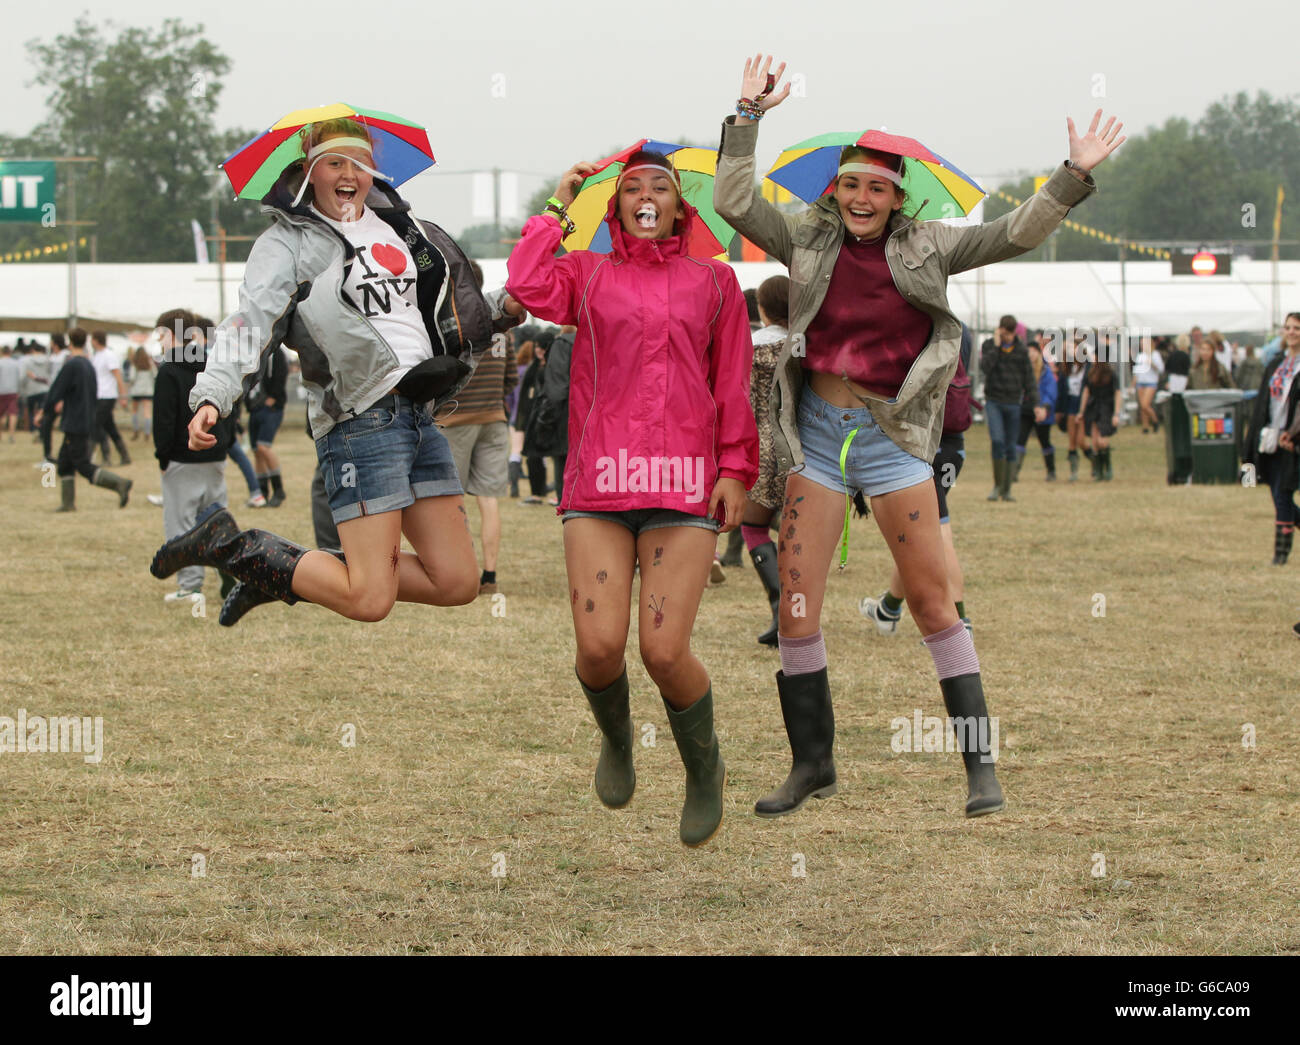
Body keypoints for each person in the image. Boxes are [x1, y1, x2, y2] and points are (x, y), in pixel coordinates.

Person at [714, 52, 1123, 819]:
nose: (862, 197)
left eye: (877, 186)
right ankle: (812, 765)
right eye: (850, 184)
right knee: (798, 606)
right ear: (833, 190)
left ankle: (980, 767)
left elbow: (1013, 232)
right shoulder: (807, 240)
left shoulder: (930, 245)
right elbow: (733, 197)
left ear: (898, 195)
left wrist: (1072, 174)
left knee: (935, 602)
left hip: (892, 437)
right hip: (816, 438)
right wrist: (748, 118)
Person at [150, 116, 521, 626]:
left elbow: (451, 307)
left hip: (420, 415)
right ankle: (236, 546)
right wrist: (212, 393)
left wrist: (504, 306)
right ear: (307, 170)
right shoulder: (288, 245)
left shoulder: (408, 229)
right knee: (370, 599)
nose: (351, 172)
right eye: (335, 162)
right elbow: (250, 323)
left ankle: (283, 571)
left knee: (457, 581)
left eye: (362, 161)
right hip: (359, 420)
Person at [504, 147, 758, 847]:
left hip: (684, 485)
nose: (646, 195)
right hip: (600, 481)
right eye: (632, 188)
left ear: (681, 206)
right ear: (615, 206)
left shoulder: (715, 281)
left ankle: (704, 769)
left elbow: (733, 379)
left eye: (661, 187)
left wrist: (735, 467)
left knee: (665, 652)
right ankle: (617, 741)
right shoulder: (585, 275)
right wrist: (559, 203)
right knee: (598, 647)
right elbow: (525, 282)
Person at [860, 322, 976, 636]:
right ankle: (889, 608)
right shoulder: (957, 327)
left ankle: (959, 621)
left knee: (938, 533)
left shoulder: (908, 327)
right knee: (916, 533)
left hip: (922, 443)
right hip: (952, 445)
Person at [439, 259, 519, 595]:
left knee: (449, 501)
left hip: (456, 420)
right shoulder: (501, 329)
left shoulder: (453, 324)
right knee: (488, 500)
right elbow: (511, 379)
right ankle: (490, 575)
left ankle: (460, 572)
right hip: (493, 419)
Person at [152, 309, 237, 603]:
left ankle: (190, 587)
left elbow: (164, 418)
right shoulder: (214, 363)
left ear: (174, 334)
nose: (160, 342)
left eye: (161, 335)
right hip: (215, 455)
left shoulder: (169, 368)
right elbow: (229, 403)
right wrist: (227, 442)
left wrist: (162, 457)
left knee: (181, 524)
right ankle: (230, 572)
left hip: (181, 457)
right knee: (215, 520)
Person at [740, 274, 791, 647]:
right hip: (804, 449)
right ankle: (799, 609)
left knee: (752, 526)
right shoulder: (807, 347)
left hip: (761, 447)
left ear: (762, 309)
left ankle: (779, 607)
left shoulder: (749, 347)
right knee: (795, 531)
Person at [35, 334, 133, 510]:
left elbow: (56, 390)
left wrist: (43, 411)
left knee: (82, 464)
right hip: (85, 418)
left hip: (75, 421)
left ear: (70, 343)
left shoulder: (72, 365)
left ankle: (119, 483)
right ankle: (67, 504)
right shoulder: (88, 364)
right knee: (65, 463)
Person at [1244, 312, 1300, 565]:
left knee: (1283, 493)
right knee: (1276, 492)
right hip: (1271, 437)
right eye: (1288, 327)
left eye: (1296, 328)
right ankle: (1281, 551)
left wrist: (1295, 434)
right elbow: (1263, 403)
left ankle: (1280, 556)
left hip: (1293, 439)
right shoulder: (1276, 363)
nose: (1291, 332)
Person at [981, 314, 1039, 501]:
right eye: (1002, 334)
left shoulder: (1021, 350)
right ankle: (997, 486)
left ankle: (1007, 490)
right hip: (994, 401)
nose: (1005, 338)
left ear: (1014, 333)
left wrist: (1036, 404)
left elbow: (1029, 379)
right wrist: (997, 347)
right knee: (997, 441)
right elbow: (985, 367)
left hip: (1014, 402)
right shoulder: (990, 346)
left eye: (1007, 335)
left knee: (1011, 446)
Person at [247, 342, 288, 506]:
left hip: (270, 408)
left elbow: (281, 374)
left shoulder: (276, 353)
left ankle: (279, 490)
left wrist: (274, 398)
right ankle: (262, 491)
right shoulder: (249, 354)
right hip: (254, 408)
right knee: (257, 451)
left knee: (264, 446)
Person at [89, 330, 131, 465]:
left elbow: (118, 376)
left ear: (96, 340)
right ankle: (124, 456)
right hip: (99, 395)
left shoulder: (109, 355)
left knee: (96, 425)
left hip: (108, 396)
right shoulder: (96, 356)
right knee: (109, 427)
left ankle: (96, 456)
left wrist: (123, 395)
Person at [1056, 333, 1091, 481]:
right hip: (1070, 404)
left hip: (1083, 404)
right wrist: (1058, 410)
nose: (1071, 351)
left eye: (1073, 347)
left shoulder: (1088, 367)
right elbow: (1061, 390)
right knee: (1071, 440)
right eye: (1069, 348)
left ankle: (1097, 463)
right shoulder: (1065, 368)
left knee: (1081, 441)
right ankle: (1073, 472)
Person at [1079, 359, 1119, 480]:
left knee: (1102, 441)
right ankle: (1098, 471)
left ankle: (1108, 467)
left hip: (1107, 408)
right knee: (1095, 441)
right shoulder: (1090, 373)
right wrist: (1081, 411)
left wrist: (1116, 413)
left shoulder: (1111, 374)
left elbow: (1118, 393)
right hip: (1093, 407)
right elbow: (1086, 392)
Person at [1024, 338, 1058, 479]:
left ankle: (1051, 471)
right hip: (1026, 410)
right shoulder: (1024, 371)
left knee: (1044, 440)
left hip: (1043, 410)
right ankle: (1013, 473)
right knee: (1019, 440)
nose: (1031, 355)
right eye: (1028, 352)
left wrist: (1044, 407)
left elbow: (1050, 392)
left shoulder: (1045, 372)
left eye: (1033, 352)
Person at [1133, 335, 1163, 432]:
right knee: (1142, 406)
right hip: (1141, 382)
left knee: (1145, 404)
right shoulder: (1140, 356)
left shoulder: (1155, 354)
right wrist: (1133, 384)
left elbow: (1161, 369)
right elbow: (1136, 372)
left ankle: (1155, 421)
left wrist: (1152, 363)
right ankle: (1145, 427)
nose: (1142, 346)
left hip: (1151, 382)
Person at [127, 343, 157, 441]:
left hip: (136, 391)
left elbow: (131, 378)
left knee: (135, 411)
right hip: (148, 391)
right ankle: (147, 433)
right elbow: (155, 375)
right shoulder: (150, 363)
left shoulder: (134, 364)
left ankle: (136, 431)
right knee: (147, 412)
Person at [0, 346, 19, 442]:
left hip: (1, 391)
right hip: (12, 390)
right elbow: (19, 377)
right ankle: (11, 434)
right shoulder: (15, 363)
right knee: (12, 413)